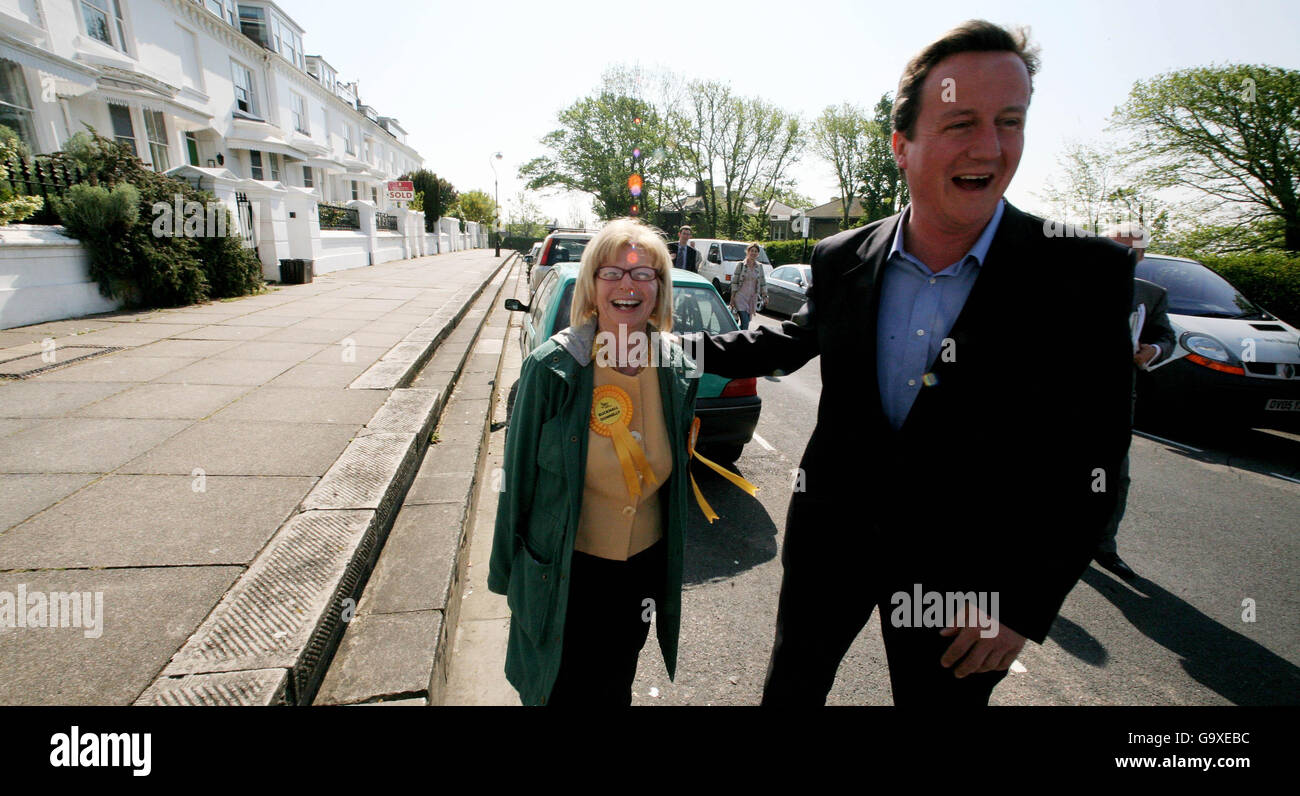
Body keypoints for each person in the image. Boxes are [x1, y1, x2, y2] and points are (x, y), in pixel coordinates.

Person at [686, 20, 1134, 705]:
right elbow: (781, 345)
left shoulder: (1080, 272)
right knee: (790, 692)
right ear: (903, 145)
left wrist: (1024, 606)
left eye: (1009, 120)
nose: (990, 146)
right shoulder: (841, 259)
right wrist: (659, 347)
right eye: (961, 123)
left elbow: (1094, 461)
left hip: (965, 583)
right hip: (830, 543)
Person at [487, 217, 700, 706]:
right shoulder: (551, 369)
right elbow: (514, 482)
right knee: (559, 692)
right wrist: (510, 580)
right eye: (612, 273)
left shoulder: (677, 370)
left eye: (644, 274)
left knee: (614, 685)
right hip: (565, 570)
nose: (628, 285)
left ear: (660, 289)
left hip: (638, 575)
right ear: (591, 286)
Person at [1095, 222, 1176, 581]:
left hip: (1115, 398)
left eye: (1131, 250)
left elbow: (1166, 336)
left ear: (1142, 254)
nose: (1123, 255)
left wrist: (1153, 350)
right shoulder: (1070, 281)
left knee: (1117, 477)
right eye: (1115, 247)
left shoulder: (1151, 294)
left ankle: (1103, 547)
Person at [728, 243, 769, 330]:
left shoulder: (759, 266)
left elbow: (762, 282)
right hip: (740, 297)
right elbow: (734, 282)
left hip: (751, 298)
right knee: (745, 322)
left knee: (747, 322)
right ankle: (743, 340)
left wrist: (765, 296)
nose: (753, 253)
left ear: (758, 254)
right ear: (747, 252)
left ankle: (735, 333)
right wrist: (732, 297)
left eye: (756, 251)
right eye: (752, 251)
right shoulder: (741, 265)